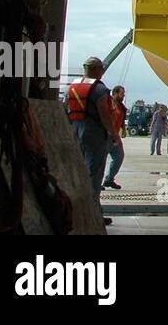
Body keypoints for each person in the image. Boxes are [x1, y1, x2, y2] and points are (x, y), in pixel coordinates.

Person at [65, 56, 116, 225]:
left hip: (75, 132)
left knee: (77, 173)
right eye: (101, 69)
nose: (102, 72)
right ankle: (93, 216)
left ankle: (76, 212)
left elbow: (66, 110)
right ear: (96, 70)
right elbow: (104, 114)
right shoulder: (100, 90)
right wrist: (113, 134)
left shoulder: (71, 87)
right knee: (94, 174)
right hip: (93, 134)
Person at [103, 85, 129, 190]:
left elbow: (121, 118)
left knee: (119, 157)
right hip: (106, 135)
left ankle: (109, 179)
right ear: (115, 93)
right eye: (122, 94)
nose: (123, 96)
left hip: (115, 136)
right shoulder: (108, 104)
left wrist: (123, 129)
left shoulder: (121, 107)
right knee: (100, 160)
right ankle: (95, 182)